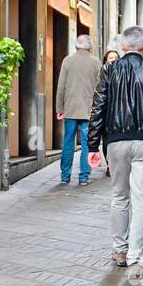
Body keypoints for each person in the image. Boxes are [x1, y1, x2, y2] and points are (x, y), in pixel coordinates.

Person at [87, 26, 143, 275]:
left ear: (124, 46)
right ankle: (135, 254)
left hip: (116, 140)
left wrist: (93, 144)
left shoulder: (110, 69)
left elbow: (98, 107)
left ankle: (119, 249)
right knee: (141, 198)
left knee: (119, 196)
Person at [55, 35, 104, 186]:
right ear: (89, 46)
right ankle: (83, 177)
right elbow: (100, 87)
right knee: (87, 144)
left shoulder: (68, 61)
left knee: (68, 142)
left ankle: (65, 176)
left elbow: (61, 85)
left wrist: (60, 108)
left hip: (70, 108)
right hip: (89, 110)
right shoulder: (96, 62)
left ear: (76, 46)